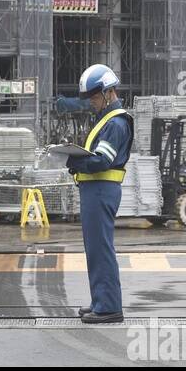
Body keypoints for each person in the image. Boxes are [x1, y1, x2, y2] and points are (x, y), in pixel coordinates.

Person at [65, 64, 133, 324]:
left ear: (108, 92)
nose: (92, 102)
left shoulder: (116, 123)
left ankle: (108, 307)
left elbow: (102, 160)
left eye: (94, 97)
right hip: (95, 190)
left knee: (101, 248)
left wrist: (74, 161)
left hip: (101, 190)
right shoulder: (108, 121)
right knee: (95, 248)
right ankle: (100, 300)